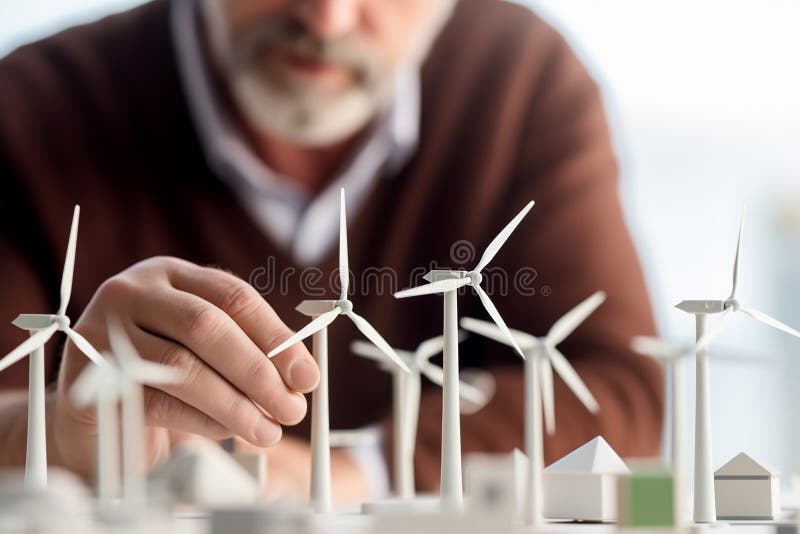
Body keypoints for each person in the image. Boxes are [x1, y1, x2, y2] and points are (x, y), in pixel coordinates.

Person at [0, 0, 663, 502]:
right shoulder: (27, 110)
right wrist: (60, 431)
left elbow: (620, 389)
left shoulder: (521, 84)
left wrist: (356, 473)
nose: (328, 19)